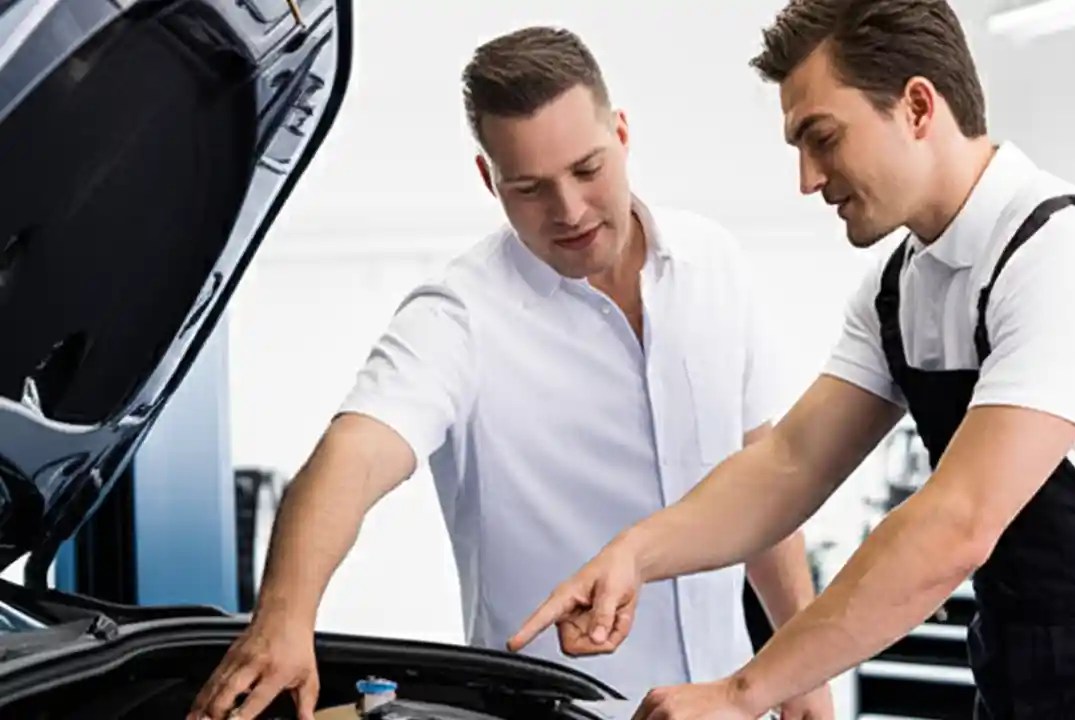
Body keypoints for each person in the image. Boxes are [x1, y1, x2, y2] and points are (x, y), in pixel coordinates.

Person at [507, 1, 1075, 718]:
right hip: (1018, 676)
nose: (806, 178)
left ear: (918, 107)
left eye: (822, 138)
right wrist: (635, 554)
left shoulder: (1066, 256)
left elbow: (955, 524)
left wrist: (743, 693)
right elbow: (790, 464)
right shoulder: (901, 288)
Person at [186, 25, 834, 720]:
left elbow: (766, 477)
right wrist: (285, 618)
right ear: (488, 179)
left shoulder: (714, 264)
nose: (570, 211)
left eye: (587, 169)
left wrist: (803, 665)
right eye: (529, 188)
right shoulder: (458, 317)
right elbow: (354, 456)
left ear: (620, 133)